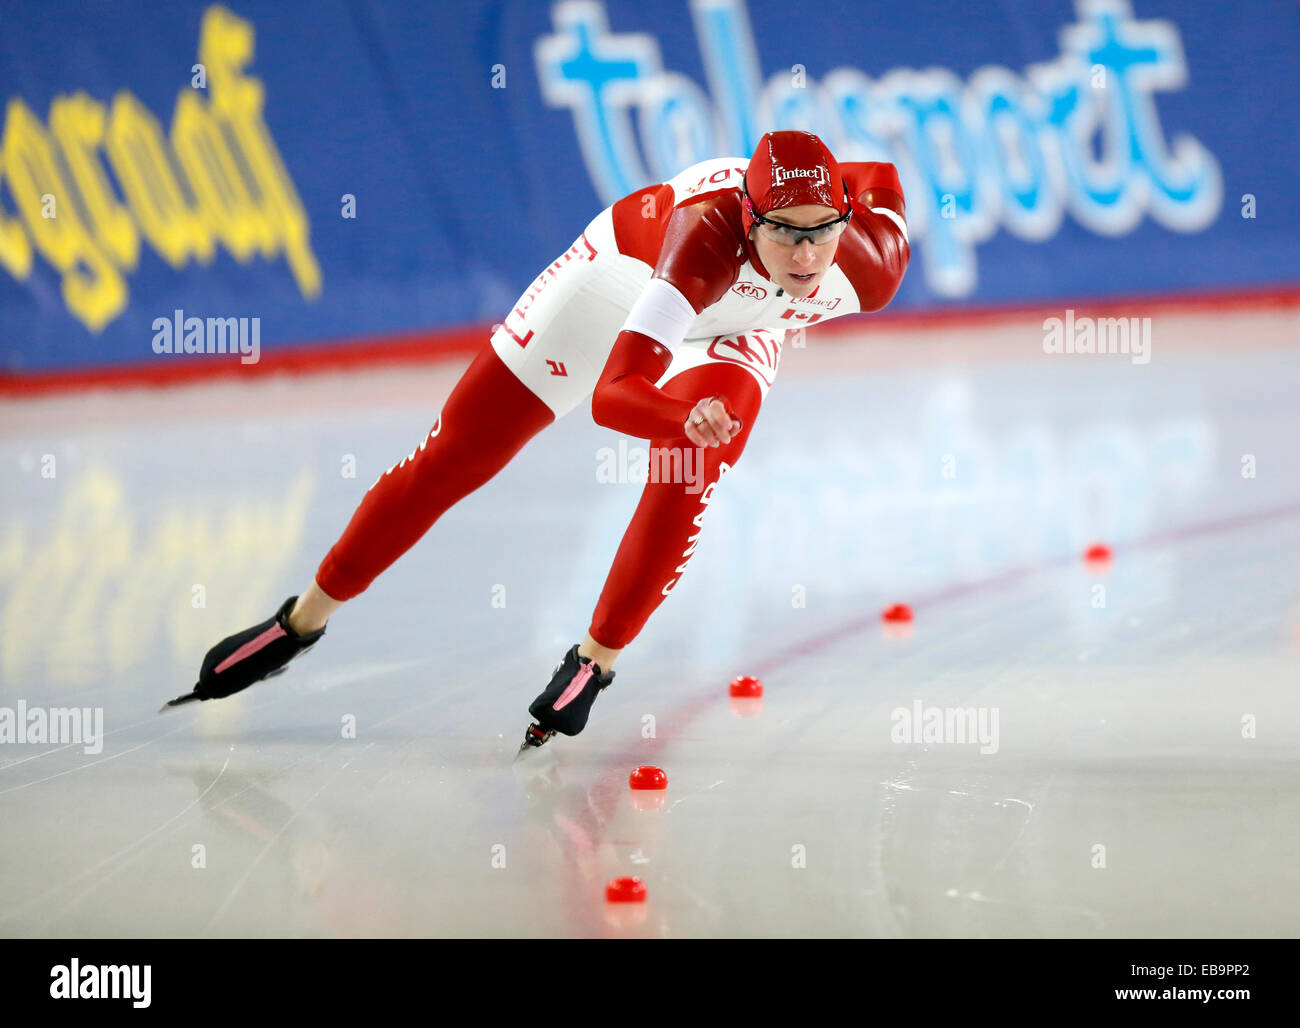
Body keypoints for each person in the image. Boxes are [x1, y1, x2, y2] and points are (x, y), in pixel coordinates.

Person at [165, 130, 910, 751]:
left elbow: (879, 173)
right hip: (618, 286)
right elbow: (614, 398)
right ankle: (300, 622)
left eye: (822, 231)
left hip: (739, 330)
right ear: (750, 220)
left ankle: (595, 662)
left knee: (691, 469)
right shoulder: (704, 241)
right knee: (459, 455)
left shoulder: (869, 267)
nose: (807, 256)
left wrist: (692, 429)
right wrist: (677, 414)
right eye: (785, 232)